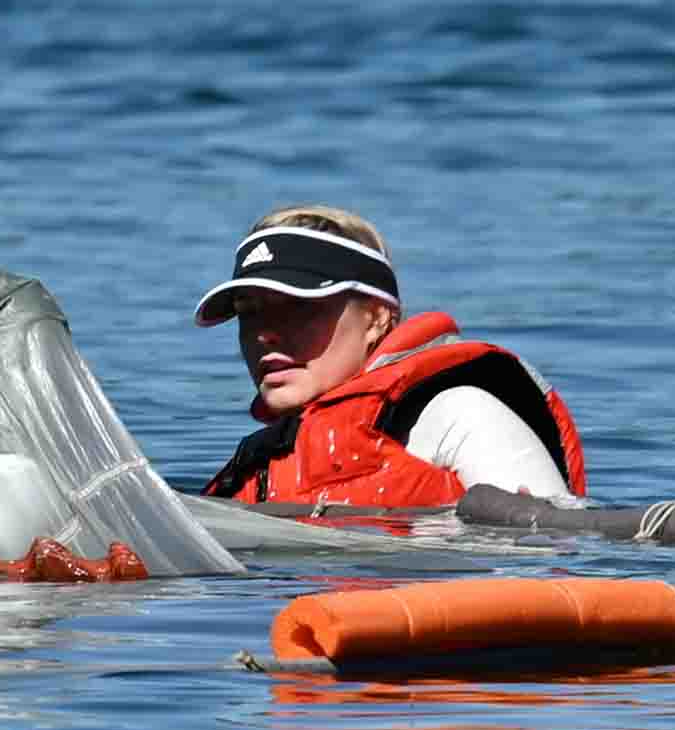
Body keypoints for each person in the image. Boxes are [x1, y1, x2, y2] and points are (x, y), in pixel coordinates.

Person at [193, 204, 583, 510]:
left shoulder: (460, 414)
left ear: (377, 319)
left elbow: (550, 569)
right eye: (249, 311)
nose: (264, 333)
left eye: (299, 307)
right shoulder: (255, 470)